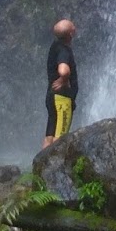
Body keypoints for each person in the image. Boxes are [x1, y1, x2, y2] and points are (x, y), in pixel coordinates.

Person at [43, 17, 79, 147]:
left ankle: (41, 166)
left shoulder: (55, 45)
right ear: (70, 34)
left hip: (52, 96)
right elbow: (63, 70)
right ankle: (54, 167)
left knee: (49, 136)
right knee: (60, 139)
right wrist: (63, 79)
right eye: (72, 26)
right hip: (62, 100)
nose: (75, 27)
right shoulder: (64, 50)